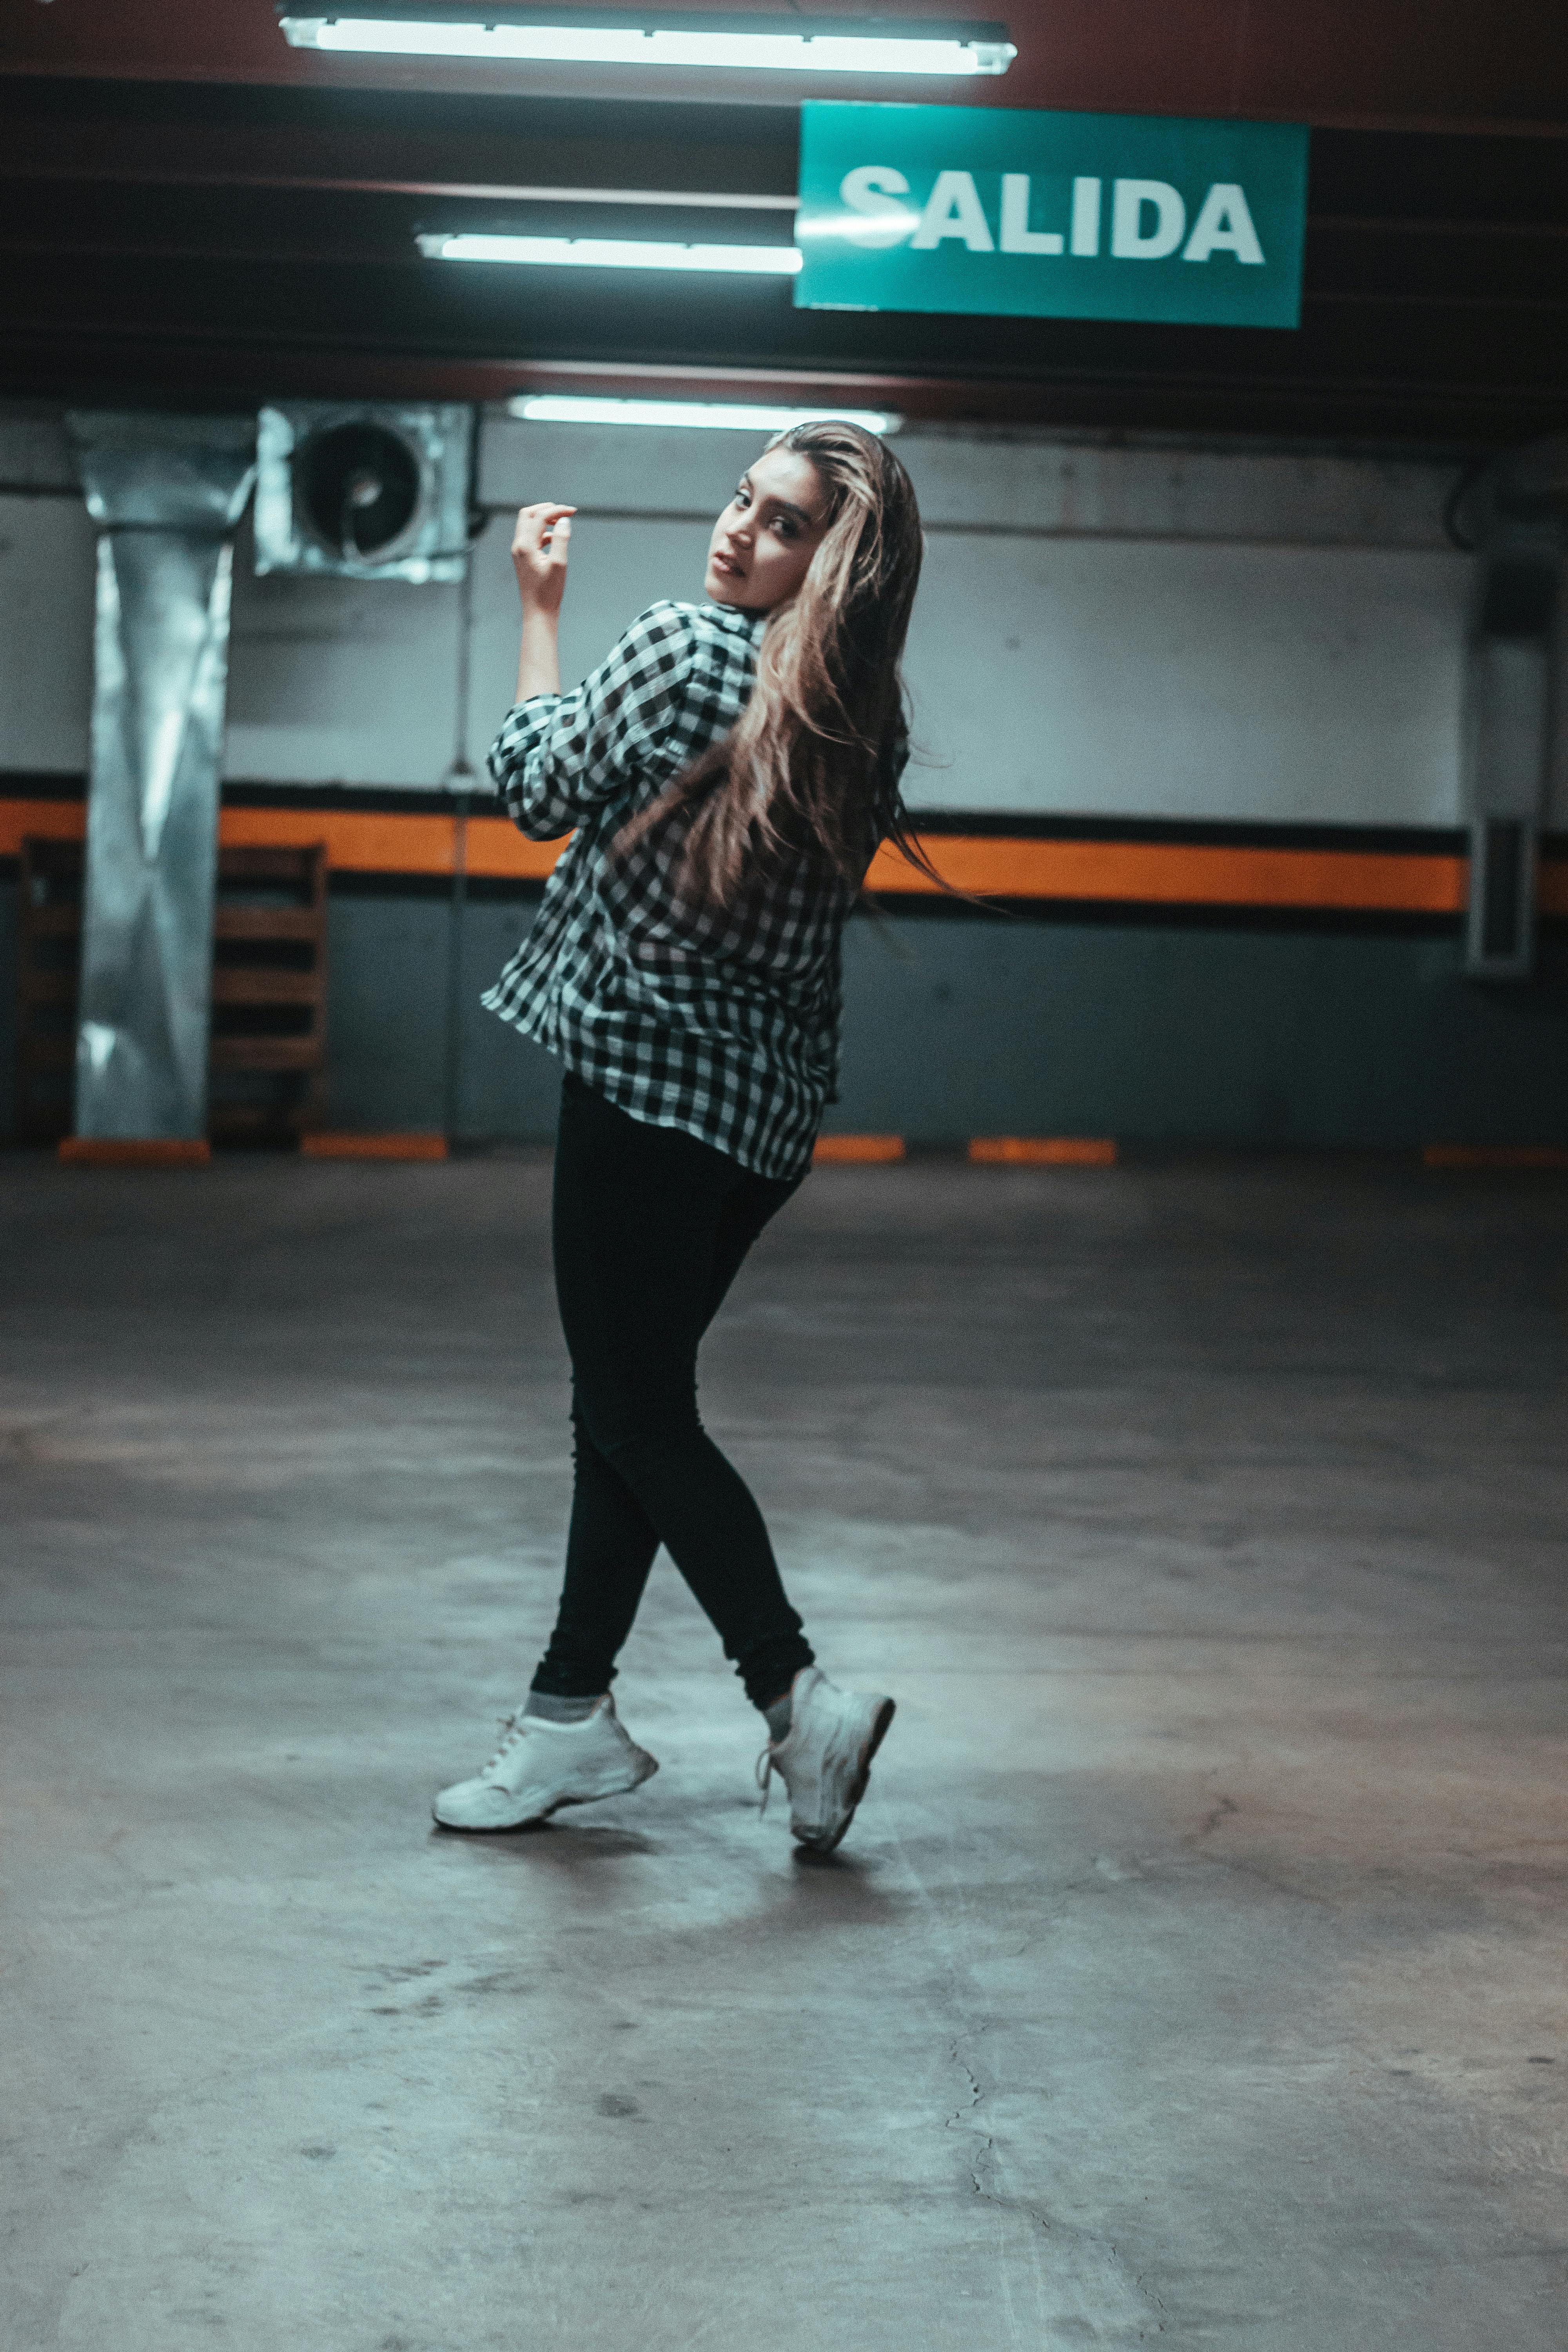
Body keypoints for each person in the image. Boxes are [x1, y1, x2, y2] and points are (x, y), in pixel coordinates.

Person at [433, 419, 934, 1854]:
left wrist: (536, 612)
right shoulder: (862, 715)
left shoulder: (677, 645)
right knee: (624, 1410)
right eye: (741, 500)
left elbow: (533, 787)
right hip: (760, 1128)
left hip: (644, 1095)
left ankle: (795, 1697)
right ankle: (565, 1719)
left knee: (636, 1412)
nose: (737, 533)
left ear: (834, 564)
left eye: (780, 525)